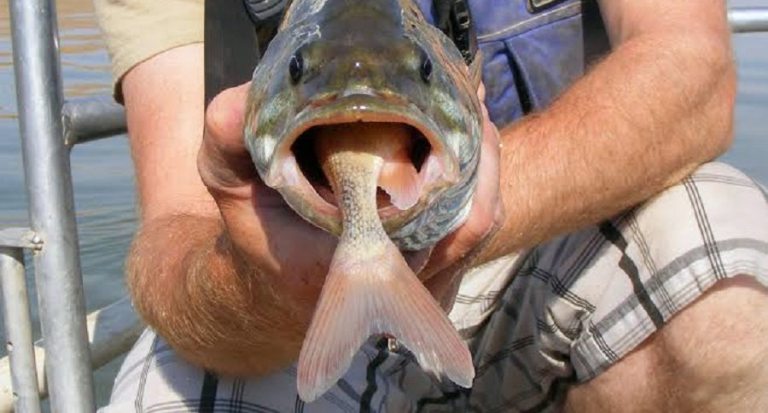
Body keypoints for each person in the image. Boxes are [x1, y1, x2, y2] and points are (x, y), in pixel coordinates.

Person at [94, 0, 768, 411]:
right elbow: (172, 242)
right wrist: (272, 280)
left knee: (726, 281)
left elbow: (694, 71)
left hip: (539, 256)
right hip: (283, 301)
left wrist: (456, 212)